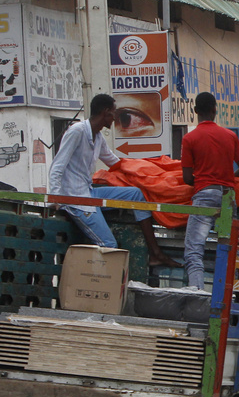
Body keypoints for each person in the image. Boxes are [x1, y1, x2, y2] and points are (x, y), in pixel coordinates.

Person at [48, 93, 180, 267]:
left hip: (89, 192)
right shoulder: (77, 131)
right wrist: (56, 197)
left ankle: (155, 253)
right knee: (109, 245)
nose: (115, 117)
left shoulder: (98, 137)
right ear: (105, 112)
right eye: (113, 113)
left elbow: (114, 163)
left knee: (136, 194)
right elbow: (57, 166)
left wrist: (146, 172)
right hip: (75, 199)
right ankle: (103, 287)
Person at [180, 92, 239, 288]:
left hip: (204, 197)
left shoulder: (189, 139)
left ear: (195, 111)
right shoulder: (230, 136)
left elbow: (187, 178)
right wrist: (227, 178)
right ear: (214, 110)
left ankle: (199, 295)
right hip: (228, 198)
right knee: (228, 250)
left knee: (194, 251)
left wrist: (206, 181)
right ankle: (231, 297)